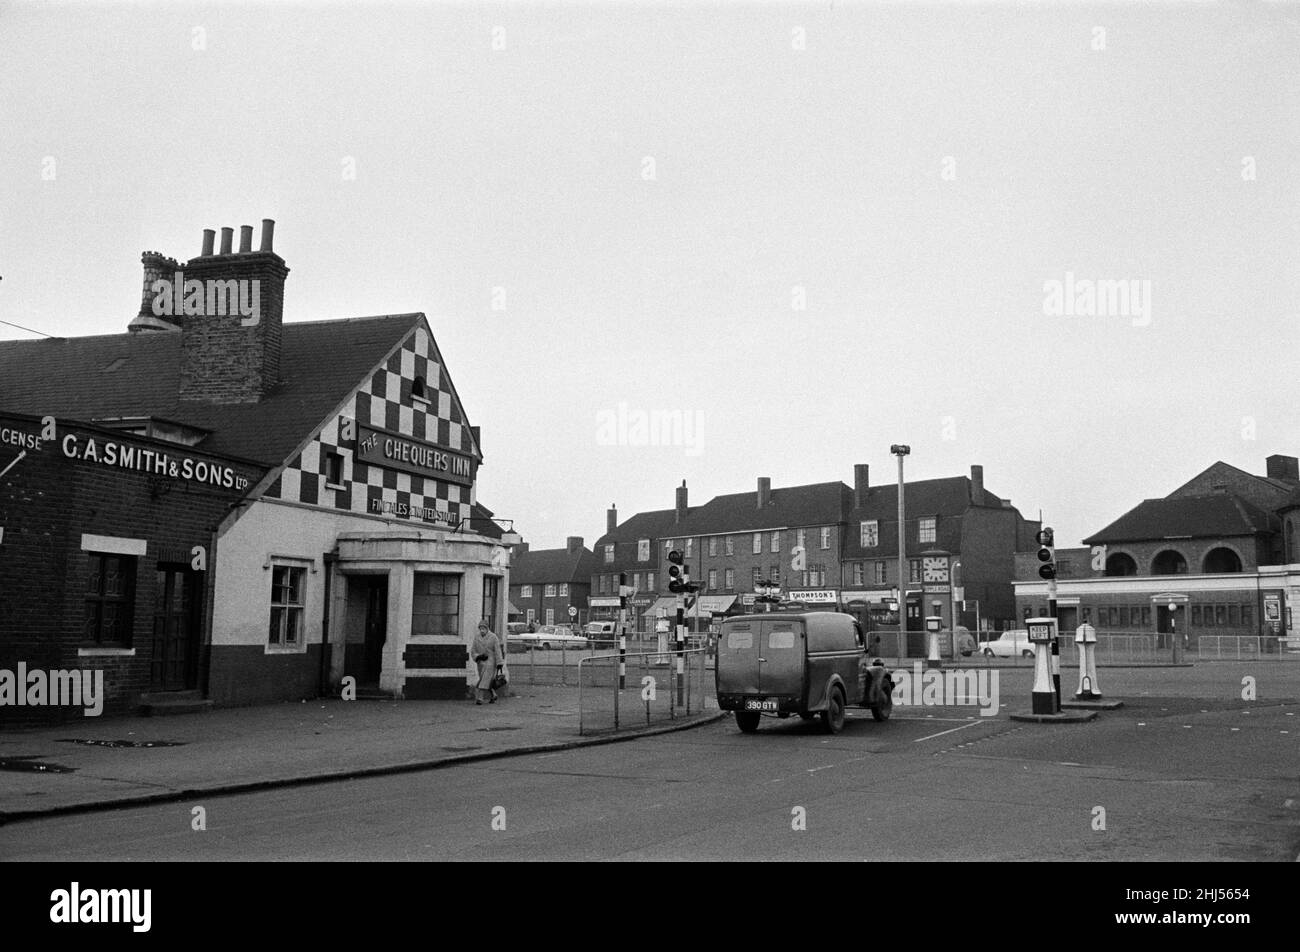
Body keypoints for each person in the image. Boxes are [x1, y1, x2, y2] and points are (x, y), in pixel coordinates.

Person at [471, 620, 502, 705]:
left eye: (484, 628)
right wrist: (478, 656)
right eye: (480, 628)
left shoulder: (493, 637)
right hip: (481, 662)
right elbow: (473, 650)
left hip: (491, 662)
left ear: (487, 628)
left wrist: (499, 663)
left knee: (484, 679)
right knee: (485, 679)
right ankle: (493, 695)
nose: (482, 630)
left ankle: (480, 698)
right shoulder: (477, 637)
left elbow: (497, 650)